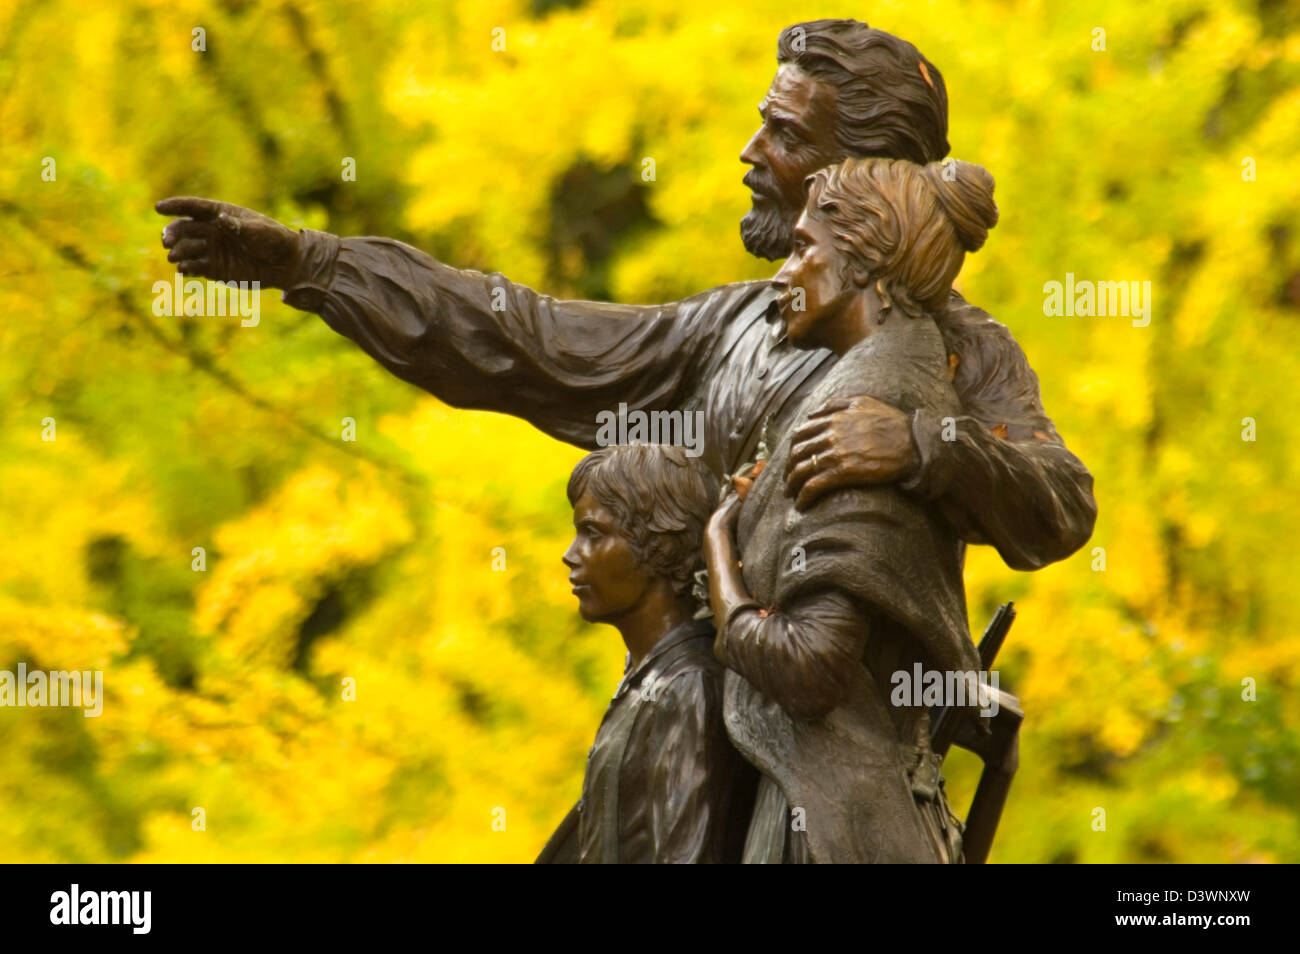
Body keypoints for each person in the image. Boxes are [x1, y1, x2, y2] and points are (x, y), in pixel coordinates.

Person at [156, 18, 1096, 575]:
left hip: (835, 778)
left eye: (782, 135)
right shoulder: (734, 327)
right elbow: (517, 336)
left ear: (858, 176)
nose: (750, 154)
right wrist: (315, 265)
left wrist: (928, 446)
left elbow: (1060, 506)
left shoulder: (961, 352)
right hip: (694, 723)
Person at [703, 156, 999, 863]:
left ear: (866, 265)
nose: (783, 272)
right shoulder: (896, 380)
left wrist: (719, 550)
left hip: (830, 827)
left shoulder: (860, 413)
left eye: (806, 247)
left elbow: (811, 670)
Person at [538, 444, 753, 863]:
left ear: (660, 546)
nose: (570, 553)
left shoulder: (687, 687)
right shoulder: (648, 680)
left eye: (593, 533)